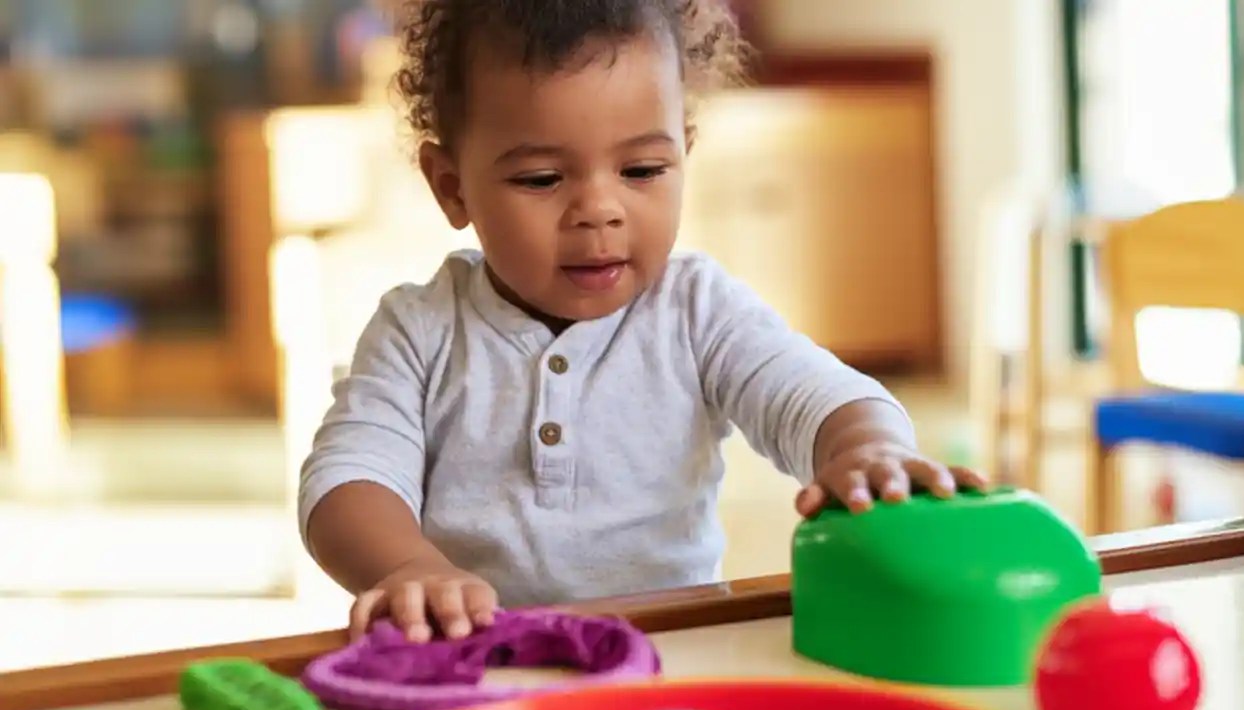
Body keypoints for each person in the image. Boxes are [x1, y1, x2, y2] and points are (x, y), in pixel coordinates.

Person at [299, 0, 987, 645]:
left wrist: (868, 451)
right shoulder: (419, 329)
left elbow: (817, 396)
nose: (600, 210)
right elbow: (347, 482)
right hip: (476, 661)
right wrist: (408, 569)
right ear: (451, 186)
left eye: (642, 169)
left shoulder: (697, 311)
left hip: (663, 654)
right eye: (541, 179)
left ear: (684, 152)